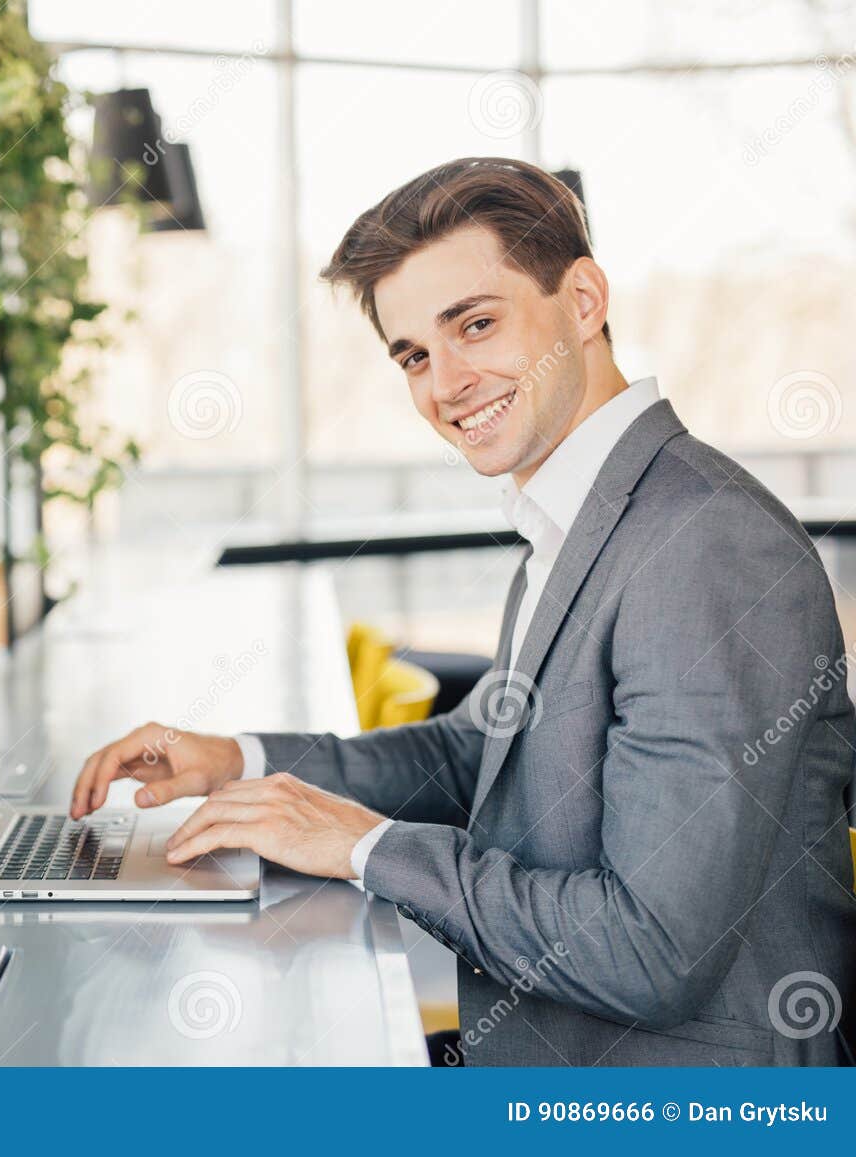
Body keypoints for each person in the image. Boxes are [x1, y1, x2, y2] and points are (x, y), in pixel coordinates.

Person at [71, 158, 856, 1066]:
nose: (445, 385)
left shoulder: (705, 545)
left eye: (475, 325)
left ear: (585, 299)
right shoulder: (578, 516)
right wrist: (238, 762)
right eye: (413, 356)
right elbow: (478, 749)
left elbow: (651, 950)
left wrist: (365, 846)